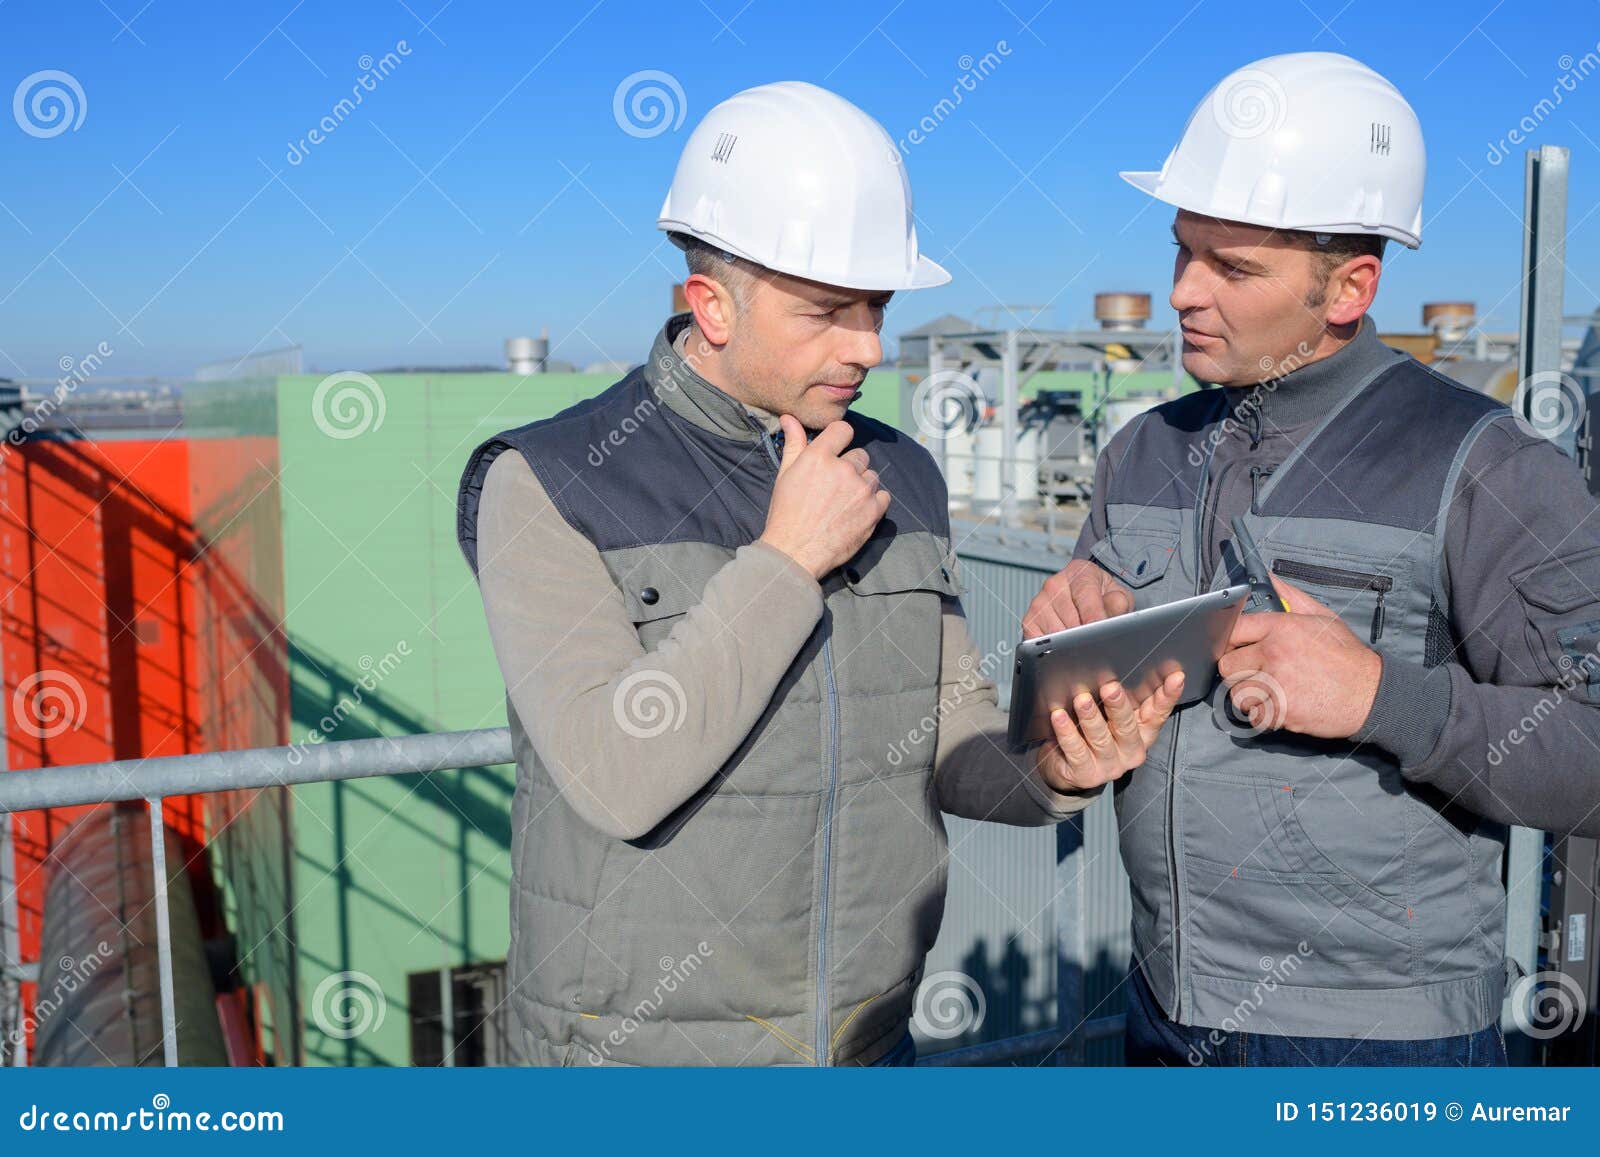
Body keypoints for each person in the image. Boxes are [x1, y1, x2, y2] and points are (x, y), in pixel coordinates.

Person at [455, 81, 1184, 1066]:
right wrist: (785, 559)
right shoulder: (545, 481)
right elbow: (618, 774)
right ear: (710, 303)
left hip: (866, 1041)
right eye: (825, 313)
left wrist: (1054, 766)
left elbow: (950, 732)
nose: (868, 348)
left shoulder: (902, 475)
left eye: (877, 307)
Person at [1025, 51, 1600, 1067]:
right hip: (1161, 1008)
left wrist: (1382, 695)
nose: (1181, 294)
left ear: (1348, 286)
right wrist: (1064, 684)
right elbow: (1045, 744)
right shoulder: (1141, 449)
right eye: (1182, 251)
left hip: (1378, 1045)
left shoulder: (1483, 465)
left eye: (1233, 268)